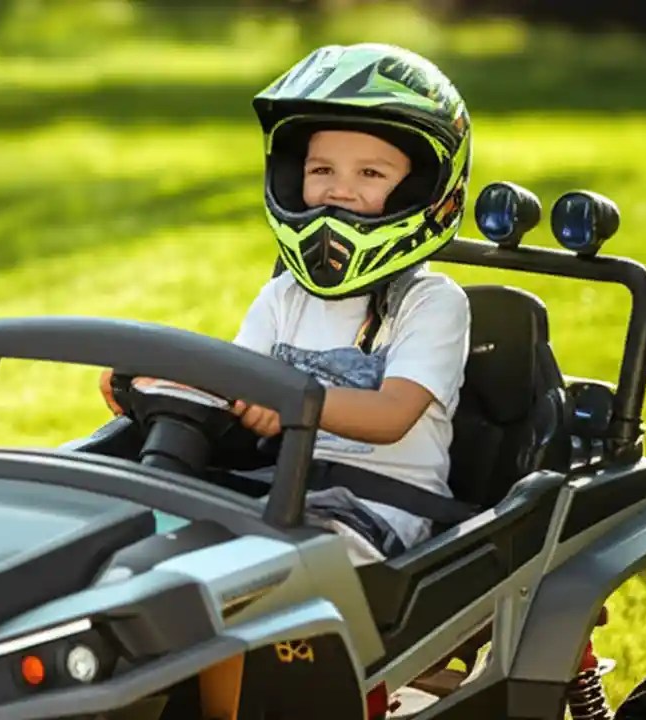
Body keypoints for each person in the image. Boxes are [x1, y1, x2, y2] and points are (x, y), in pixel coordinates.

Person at [101, 43, 474, 565]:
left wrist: (287, 401)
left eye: (370, 174)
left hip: (376, 510)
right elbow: (235, 383)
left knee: (225, 580)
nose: (338, 192)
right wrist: (159, 382)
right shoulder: (285, 295)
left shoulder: (431, 302)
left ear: (424, 190)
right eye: (322, 170)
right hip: (278, 486)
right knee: (132, 536)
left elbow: (391, 417)